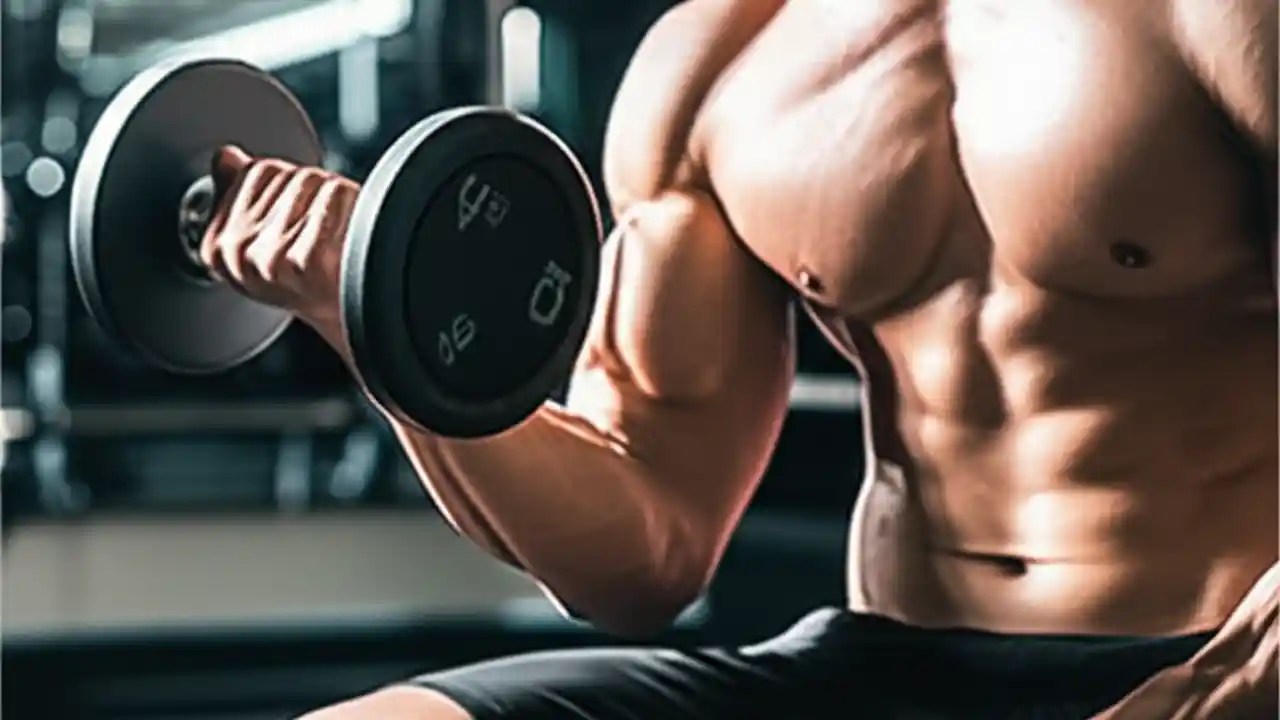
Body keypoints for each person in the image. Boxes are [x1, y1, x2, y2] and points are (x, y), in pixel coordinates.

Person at [200, 0, 1278, 717]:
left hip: (1200, 663)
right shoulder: (723, 60)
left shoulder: (1220, 20)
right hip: (869, 671)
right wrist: (373, 310)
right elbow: (641, 553)